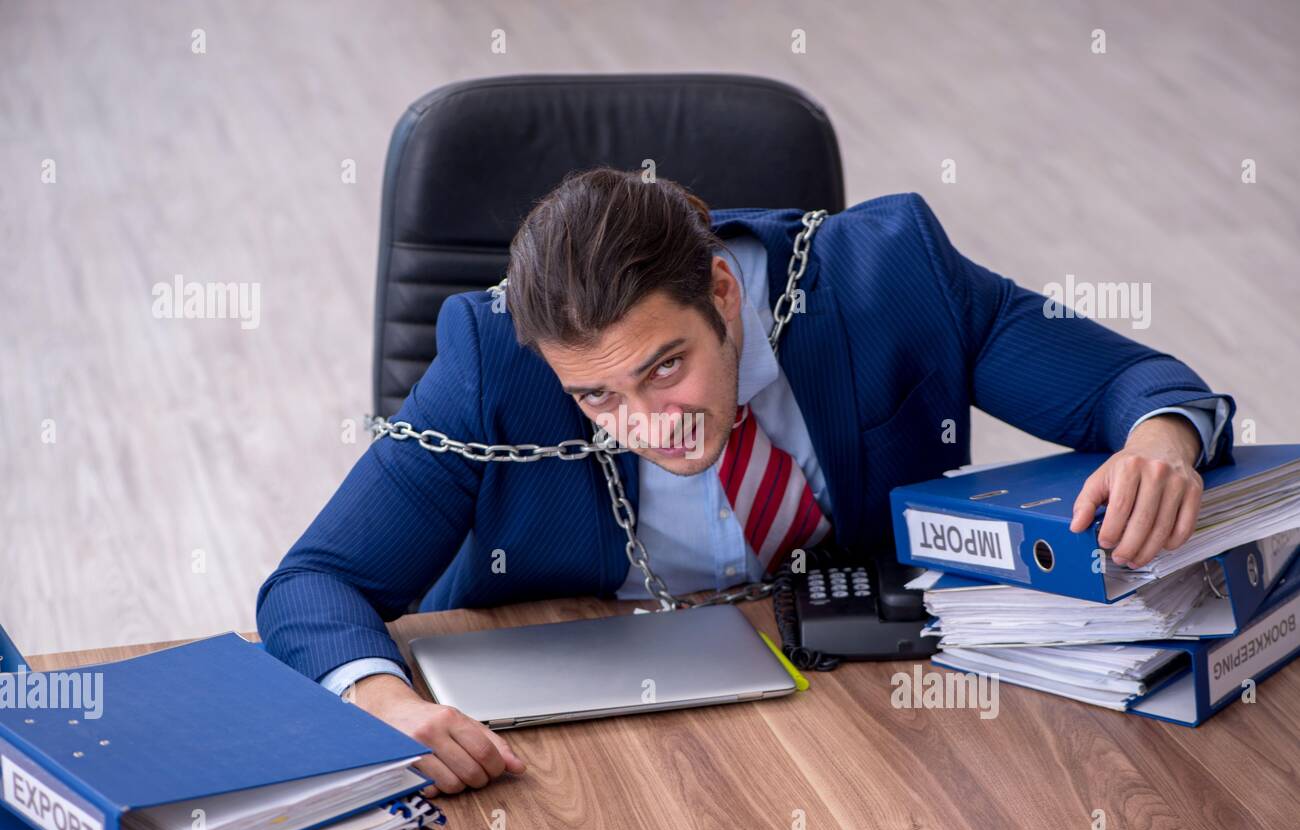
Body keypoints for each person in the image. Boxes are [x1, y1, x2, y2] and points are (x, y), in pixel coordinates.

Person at [256, 167, 1234, 796]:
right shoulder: (488, 360)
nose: (650, 426)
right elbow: (312, 583)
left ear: (722, 289)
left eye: (665, 367)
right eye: (597, 398)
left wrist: (1159, 442)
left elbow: (1128, 382)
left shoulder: (891, 276)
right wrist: (387, 704)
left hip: (858, 728)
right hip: (577, 752)